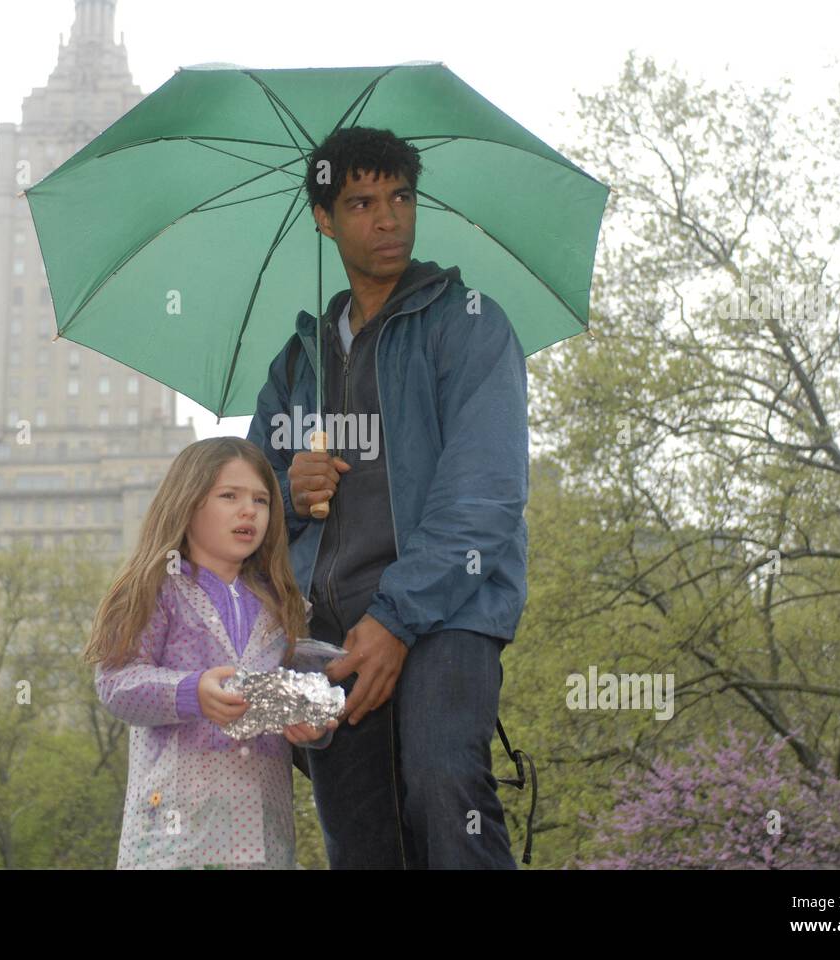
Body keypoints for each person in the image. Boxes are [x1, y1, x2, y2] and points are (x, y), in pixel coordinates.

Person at [246, 126, 529, 868]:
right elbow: (239, 508)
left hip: (446, 614)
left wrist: (398, 619)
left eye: (401, 196)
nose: (389, 218)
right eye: (362, 201)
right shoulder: (297, 362)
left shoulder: (470, 326)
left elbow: (487, 496)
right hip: (324, 633)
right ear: (323, 218)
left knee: (444, 787)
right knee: (355, 838)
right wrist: (286, 490)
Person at [84, 436, 337, 869]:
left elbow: (296, 693)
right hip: (173, 837)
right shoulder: (154, 590)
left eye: (261, 500)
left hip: (263, 835)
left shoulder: (283, 605)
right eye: (229, 496)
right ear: (188, 503)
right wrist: (191, 692)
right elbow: (115, 682)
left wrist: (313, 724)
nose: (248, 511)